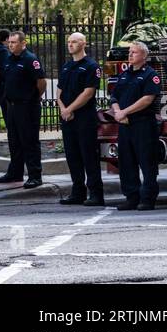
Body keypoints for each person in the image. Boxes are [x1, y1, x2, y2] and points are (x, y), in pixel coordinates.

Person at [109, 40, 162, 211]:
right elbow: (114, 97)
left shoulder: (150, 75)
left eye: (135, 52)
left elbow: (147, 99)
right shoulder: (124, 75)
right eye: (130, 52)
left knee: (147, 162)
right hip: (125, 125)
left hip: (143, 124)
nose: (130, 55)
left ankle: (147, 199)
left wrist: (125, 112)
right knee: (126, 162)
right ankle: (132, 197)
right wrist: (118, 112)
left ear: (144, 56)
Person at [56, 31, 104, 207]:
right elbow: (59, 91)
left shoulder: (91, 66)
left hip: (84, 117)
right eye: (69, 42)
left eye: (74, 42)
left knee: (88, 155)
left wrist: (70, 108)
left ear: (83, 44)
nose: (70, 44)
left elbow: (88, 92)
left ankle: (96, 194)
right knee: (72, 156)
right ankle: (78, 192)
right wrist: (63, 108)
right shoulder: (67, 66)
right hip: (68, 118)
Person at [0, 31, 45, 188]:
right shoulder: (9, 60)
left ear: (23, 43)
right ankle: (15, 173)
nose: (10, 45)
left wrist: (33, 97)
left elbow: (41, 82)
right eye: (9, 42)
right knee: (14, 141)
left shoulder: (30, 60)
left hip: (27, 106)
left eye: (14, 42)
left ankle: (35, 175)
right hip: (12, 106)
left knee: (29, 141)